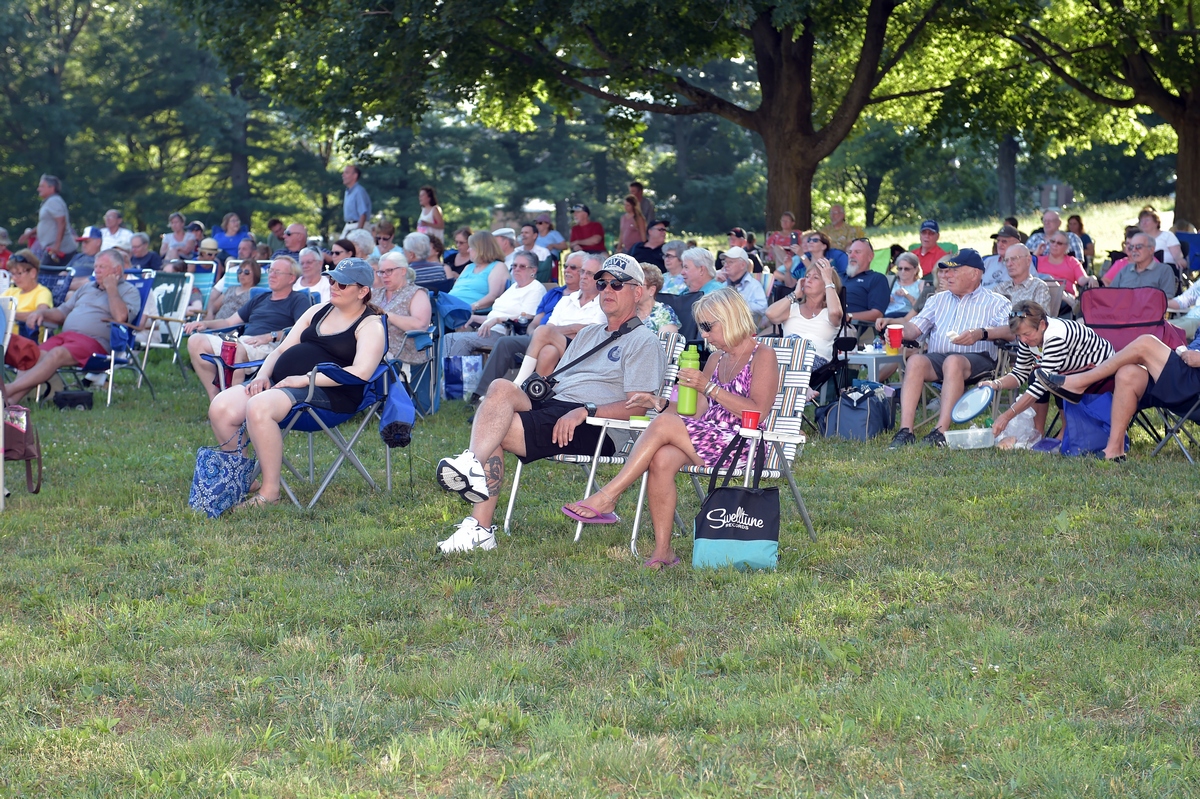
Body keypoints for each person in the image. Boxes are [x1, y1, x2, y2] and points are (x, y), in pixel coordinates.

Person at [434, 254, 666, 553]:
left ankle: (479, 525)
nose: (607, 289)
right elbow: (559, 379)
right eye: (603, 283)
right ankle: (473, 465)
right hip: (558, 404)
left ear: (637, 292)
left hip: (597, 426)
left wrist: (586, 410)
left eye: (617, 284)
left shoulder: (643, 341)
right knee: (501, 387)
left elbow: (639, 406)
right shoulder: (590, 334)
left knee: (497, 428)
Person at [563, 288, 777, 569]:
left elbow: (758, 411)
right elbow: (697, 412)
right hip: (708, 438)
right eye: (702, 328)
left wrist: (708, 387)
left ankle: (609, 495)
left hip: (741, 444)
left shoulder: (763, 355)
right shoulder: (715, 359)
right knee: (662, 458)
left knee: (663, 426)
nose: (704, 335)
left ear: (730, 318)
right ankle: (663, 551)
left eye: (708, 327)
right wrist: (659, 402)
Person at [206, 259, 386, 507]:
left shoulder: (370, 325)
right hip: (283, 385)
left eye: (342, 284)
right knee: (221, 406)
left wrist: (304, 379)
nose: (333, 286)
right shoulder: (318, 311)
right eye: (331, 280)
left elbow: (361, 372)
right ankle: (244, 478)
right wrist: (262, 375)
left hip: (329, 394)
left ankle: (270, 492)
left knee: (259, 406)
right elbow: (280, 351)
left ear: (363, 291)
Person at [887, 249, 1013, 448]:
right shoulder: (938, 300)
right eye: (946, 272)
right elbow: (916, 328)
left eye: (954, 271)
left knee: (953, 361)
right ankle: (906, 430)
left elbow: (1010, 331)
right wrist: (901, 331)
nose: (947, 275)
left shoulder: (997, 302)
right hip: (939, 357)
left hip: (979, 359)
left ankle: (941, 431)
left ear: (974, 274)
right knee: (916, 361)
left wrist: (981, 333)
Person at [5, 248, 141, 404]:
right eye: (95, 266)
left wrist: (111, 288)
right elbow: (63, 311)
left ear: (117, 269)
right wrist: (42, 314)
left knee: (56, 354)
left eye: (102, 267)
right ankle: (8, 403)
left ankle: (8, 390)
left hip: (94, 343)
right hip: (66, 337)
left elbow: (121, 317)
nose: (96, 270)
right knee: (32, 355)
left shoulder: (130, 291)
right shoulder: (87, 287)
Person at [1040, 334, 1200, 461]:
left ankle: (1079, 383)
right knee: (1128, 374)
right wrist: (1189, 352)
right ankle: (1114, 449)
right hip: (1189, 380)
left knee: (1146, 343)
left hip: (1194, 389)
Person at [468, 251, 598, 401]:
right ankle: (481, 394)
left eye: (574, 268)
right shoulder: (556, 295)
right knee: (506, 343)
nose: (567, 270)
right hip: (538, 338)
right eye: (566, 266)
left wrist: (546, 334)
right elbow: (536, 323)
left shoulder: (598, 301)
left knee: (545, 342)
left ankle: (521, 389)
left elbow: (589, 331)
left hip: (566, 345)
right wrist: (535, 335)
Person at [981, 300, 1113, 440]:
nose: (1023, 340)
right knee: (1037, 377)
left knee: (1054, 381)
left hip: (1100, 369)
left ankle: (1066, 431)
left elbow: (1042, 386)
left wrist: (1006, 416)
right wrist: (995, 384)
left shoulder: (1056, 336)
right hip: (1070, 368)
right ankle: (1038, 432)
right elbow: (1020, 373)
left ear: (1042, 325)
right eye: (1018, 336)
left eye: (1026, 334)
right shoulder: (1028, 336)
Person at [183, 257, 312, 400]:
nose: (272, 275)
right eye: (271, 271)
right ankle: (216, 399)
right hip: (244, 341)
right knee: (195, 340)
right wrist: (206, 324)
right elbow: (229, 322)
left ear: (291, 278)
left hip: (270, 346)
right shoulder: (260, 298)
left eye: (278, 272)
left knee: (235, 348)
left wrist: (270, 336)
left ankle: (233, 403)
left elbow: (302, 329)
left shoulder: (298, 300)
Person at [509, 253, 606, 387]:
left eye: (590, 273)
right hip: (563, 348)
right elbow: (549, 330)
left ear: (600, 279)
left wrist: (557, 332)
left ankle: (519, 383)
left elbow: (591, 333)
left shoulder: (604, 303)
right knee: (548, 351)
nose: (583, 276)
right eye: (582, 271)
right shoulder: (566, 300)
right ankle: (541, 397)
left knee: (543, 332)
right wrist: (574, 328)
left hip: (586, 353)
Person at [443, 251, 546, 358]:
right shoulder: (514, 287)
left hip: (506, 334)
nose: (517, 269)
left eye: (522, 266)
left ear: (533, 270)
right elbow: (492, 316)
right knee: (448, 338)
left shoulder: (535, 289)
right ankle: (446, 374)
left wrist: (497, 320)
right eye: (514, 265)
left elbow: (527, 317)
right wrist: (473, 318)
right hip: (489, 331)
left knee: (462, 341)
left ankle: (458, 374)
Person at [765, 258, 843, 367]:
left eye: (815, 277)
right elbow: (770, 314)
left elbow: (835, 312)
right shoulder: (792, 308)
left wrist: (828, 280)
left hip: (815, 361)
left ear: (826, 286)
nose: (809, 280)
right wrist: (795, 294)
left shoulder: (829, 313)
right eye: (807, 276)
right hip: (785, 360)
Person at [373, 250, 433, 366]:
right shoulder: (376, 294)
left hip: (400, 351)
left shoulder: (416, 293)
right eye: (381, 272)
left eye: (389, 271)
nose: (384, 276)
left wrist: (386, 315)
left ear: (403, 270)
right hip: (372, 347)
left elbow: (421, 325)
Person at [448, 231, 508, 312]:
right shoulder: (468, 267)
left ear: (481, 249)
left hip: (469, 312)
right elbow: (456, 290)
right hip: (450, 307)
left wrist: (472, 307)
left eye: (471, 247)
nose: (468, 250)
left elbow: (493, 296)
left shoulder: (498, 266)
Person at [2, 250, 53, 336]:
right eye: (12, 274)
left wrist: (9, 315)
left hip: (25, 340)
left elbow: (41, 313)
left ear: (33, 273)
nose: (14, 278)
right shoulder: (11, 291)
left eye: (19, 273)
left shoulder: (42, 292)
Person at [842, 238, 889, 328]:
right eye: (850, 252)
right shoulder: (839, 277)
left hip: (848, 327)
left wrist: (849, 316)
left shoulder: (876, 279)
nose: (852, 255)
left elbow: (877, 314)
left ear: (870, 257)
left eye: (857, 252)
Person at [1109, 232, 1176, 295]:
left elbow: (1166, 300)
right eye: (1131, 247)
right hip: (1122, 306)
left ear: (1151, 250)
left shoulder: (1164, 271)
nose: (1134, 250)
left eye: (1139, 246)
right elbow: (1111, 294)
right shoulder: (1125, 270)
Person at [30, 175, 76, 266]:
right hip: (54, 250)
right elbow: (46, 223)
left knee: (44, 276)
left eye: (42, 186)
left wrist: (57, 246)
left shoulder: (54, 201)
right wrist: (29, 233)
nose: (38, 189)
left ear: (52, 188)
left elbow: (61, 222)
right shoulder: (50, 201)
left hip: (59, 251)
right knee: (46, 275)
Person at [717, 246, 767, 327]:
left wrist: (738, 304)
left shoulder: (753, 285)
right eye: (725, 262)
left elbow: (763, 308)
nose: (725, 265)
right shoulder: (722, 284)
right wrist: (716, 283)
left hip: (746, 329)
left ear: (743, 265)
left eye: (730, 262)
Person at [993, 244, 1052, 309]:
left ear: (1028, 260)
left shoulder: (1038, 287)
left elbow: (1039, 317)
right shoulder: (1000, 288)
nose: (1009, 264)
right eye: (1006, 260)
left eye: (1014, 259)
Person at [207, 256, 260, 321]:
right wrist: (209, 314)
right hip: (216, 322)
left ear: (255, 274)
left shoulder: (256, 293)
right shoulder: (231, 289)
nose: (242, 274)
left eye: (246, 272)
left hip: (235, 327)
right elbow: (215, 306)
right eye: (240, 271)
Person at [637, 263, 680, 334]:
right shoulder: (627, 311)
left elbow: (666, 342)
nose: (633, 289)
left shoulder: (663, 313)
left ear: (652, 290)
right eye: (633, 284)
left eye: (639, 285)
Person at [885, 252, 924, 318]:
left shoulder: (921, 284)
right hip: (887, 315)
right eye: (900, 268)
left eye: (907, 269)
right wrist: (884, 299)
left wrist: (907, 295)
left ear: (916, 270)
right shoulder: (890, 282)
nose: (903, 272)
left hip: (910, 317)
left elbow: (923, 309)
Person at [982, 225, 1022, 289]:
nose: (999, 244)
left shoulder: (1024, 262)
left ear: (1016, 243)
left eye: (1004, 241)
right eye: (998, 241)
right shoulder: (987, 262)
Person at [341, 164, 372, 237]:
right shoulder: (347, 192)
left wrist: (358, 233)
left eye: (347, 173)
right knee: (338, 247)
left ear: (355, 176)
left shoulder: (359, 191)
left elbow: (363, 214)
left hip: (357, 226)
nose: (343, 175)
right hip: (349, 226)